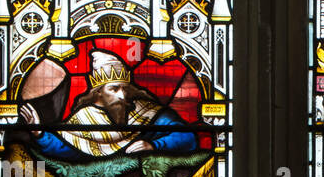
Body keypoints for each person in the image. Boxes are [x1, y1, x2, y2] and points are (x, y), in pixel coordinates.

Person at [19, 50, 197, 159]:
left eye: (125, 89)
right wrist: (40, 133)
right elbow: (69, 150)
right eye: (114, 89)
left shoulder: (146, 112)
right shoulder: (83, 119)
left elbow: (187, 137)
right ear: (98, 93)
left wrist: (154, 146)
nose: (122, 95)